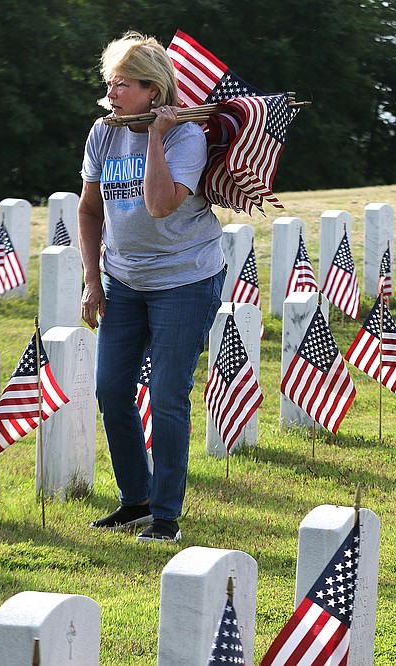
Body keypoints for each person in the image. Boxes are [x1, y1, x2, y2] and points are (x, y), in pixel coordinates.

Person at [78, 31, 225, 543]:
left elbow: (161, 204)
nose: (111, 94)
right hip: (122, 279)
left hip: (184, 280)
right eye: (109, 83)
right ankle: (135, 499)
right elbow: (89, 208)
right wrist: (92, 280)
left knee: (166, 393)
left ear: (154, 92)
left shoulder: (187, 135)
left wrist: (156, 138)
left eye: (121, 85)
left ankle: (165, 515)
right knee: (111, 388)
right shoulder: (102, 133)